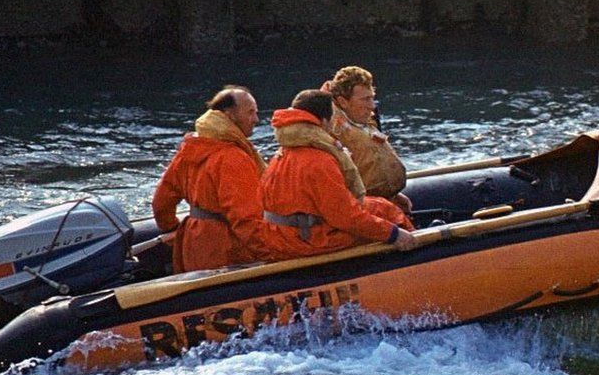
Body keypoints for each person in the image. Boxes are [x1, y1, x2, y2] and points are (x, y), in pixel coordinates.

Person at [261, 89, 418, 259]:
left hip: (283, 236)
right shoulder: (319, 161)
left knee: (380, 205)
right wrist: (394, 234)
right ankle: (416, 254)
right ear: (323, 121)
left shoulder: (283, 154)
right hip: (308, 241)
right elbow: (346, 217)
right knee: (388, 214)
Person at [153, 85, 286, 273]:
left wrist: (172, 229)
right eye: (250, 113)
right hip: (226, 250)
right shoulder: (234, 158)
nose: (256, 119)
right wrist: (272, 255)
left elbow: (161, 202)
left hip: (192, 244)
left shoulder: (189, 148)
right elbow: (245, 219)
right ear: (229, 115)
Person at [323, 66, 412, 213]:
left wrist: (393, 196)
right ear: (343, 102)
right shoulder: (330, 131)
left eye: (372, 97)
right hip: (362, 208)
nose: (372, 106)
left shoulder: (362, 120)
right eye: (365, 99)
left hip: (384, 201)